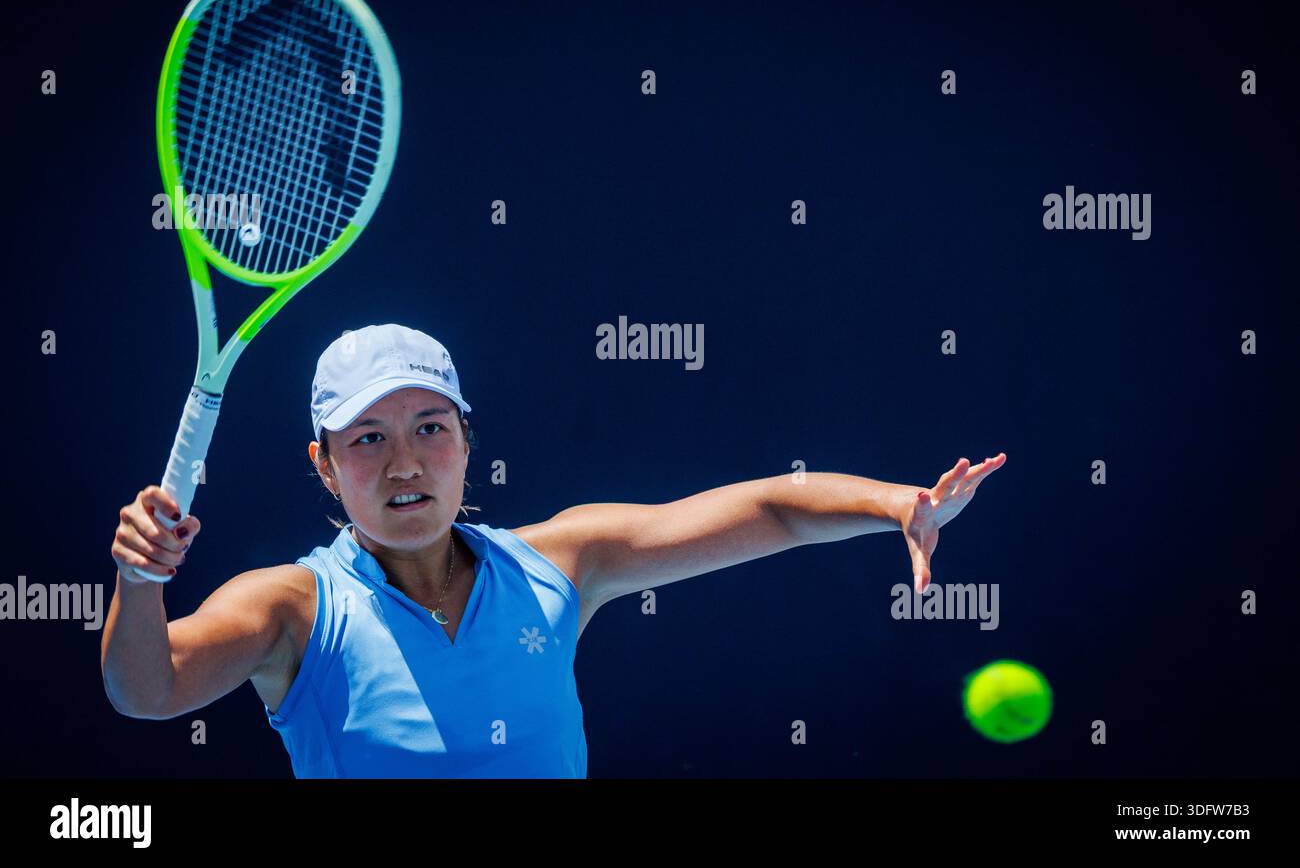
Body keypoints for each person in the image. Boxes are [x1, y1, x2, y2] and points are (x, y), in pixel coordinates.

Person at [101, 323, 1006, 777]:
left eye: (429, 427)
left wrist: (900, 506)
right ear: (326, 467)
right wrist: (141, 579)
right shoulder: (293, 609)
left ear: (467, 439)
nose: (406, 461)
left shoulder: (561, 562)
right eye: (367, 439)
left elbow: (771, 509)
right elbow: (148, 691)